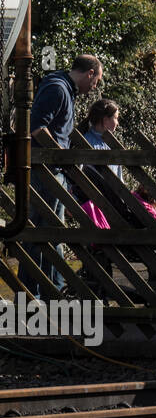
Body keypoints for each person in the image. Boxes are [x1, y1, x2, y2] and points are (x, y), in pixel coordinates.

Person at [22, 55, 102, 297]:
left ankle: (47, 291)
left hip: (52, 170)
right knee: (44, 232)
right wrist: (60, 158)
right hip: (47, 170)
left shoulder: (63, 88)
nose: (95, 87)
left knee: (52, 232)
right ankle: (38, 293)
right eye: (96, 80)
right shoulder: (58, 89)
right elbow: (37, 127)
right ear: (89, 73)